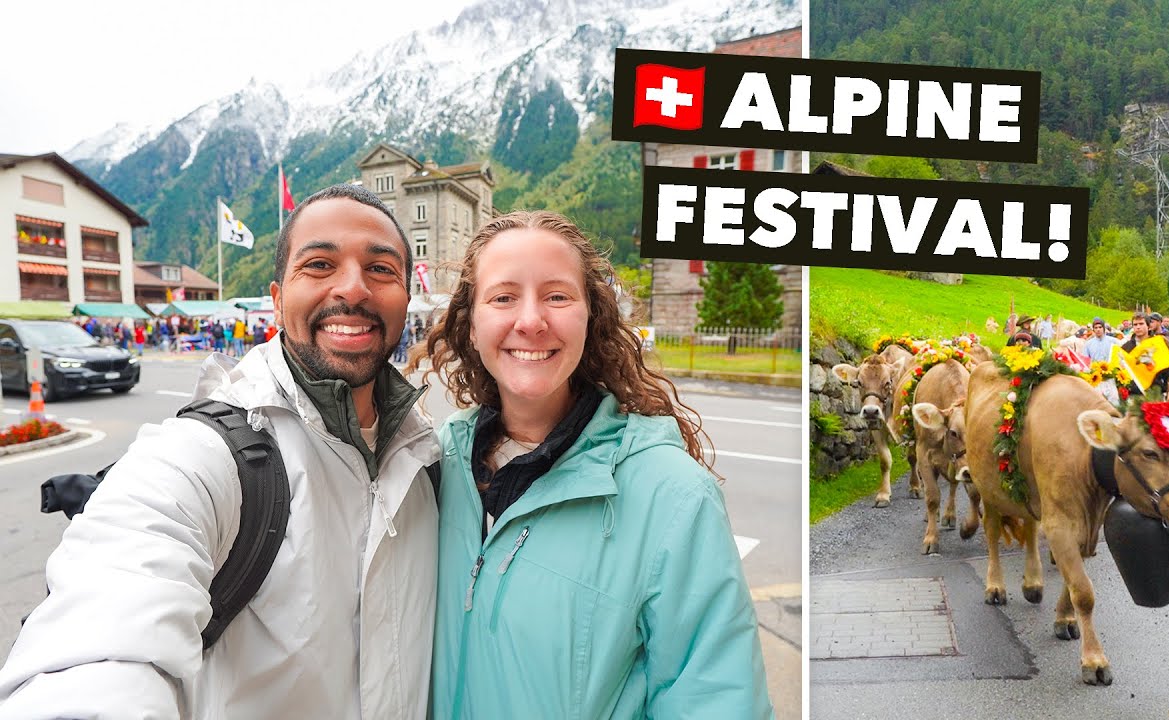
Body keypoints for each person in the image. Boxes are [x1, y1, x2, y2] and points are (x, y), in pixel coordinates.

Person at [0, 184, 441, 718]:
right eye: (320, 264)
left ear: (405, 296)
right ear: (277, 299)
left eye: (381, 269)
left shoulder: (429, 461)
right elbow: (101, 635)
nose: (353, 287)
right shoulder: (211, 454)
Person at [414, 210, 772, 718]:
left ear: (591, 317)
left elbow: (716, 698)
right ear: (471, 325)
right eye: (503, 297)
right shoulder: (436, 464)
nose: (531, 320)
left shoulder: (672, 496)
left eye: (558, 296)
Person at [1121, 311, 1169, 402]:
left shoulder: (1159, 344)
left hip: (1155, 394)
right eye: (1135, 324)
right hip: (1133, 396)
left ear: (1148, 326)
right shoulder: (1126, 348)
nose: (1138, 327)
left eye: (1141, 324)